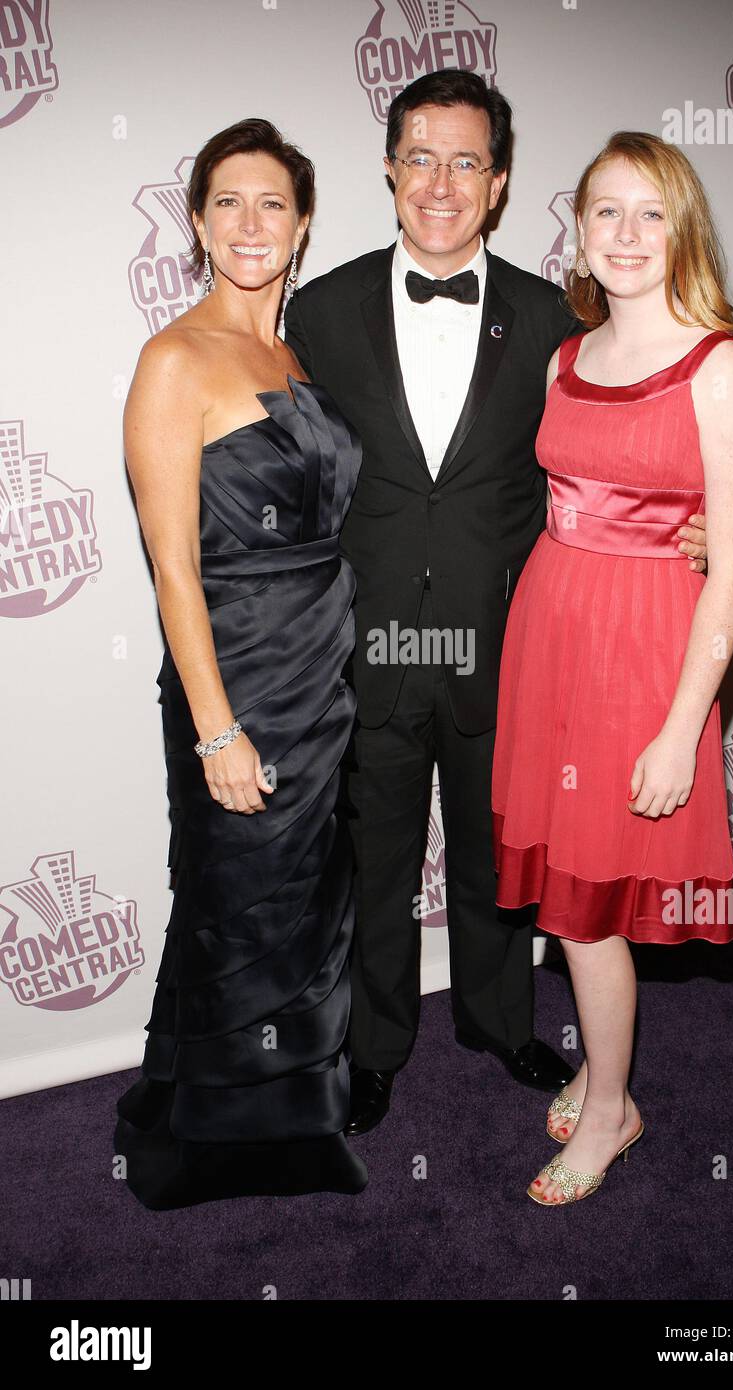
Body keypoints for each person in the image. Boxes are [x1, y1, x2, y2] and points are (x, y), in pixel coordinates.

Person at [284, 74, 710, 1136]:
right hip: (368, 643)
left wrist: (695, 525)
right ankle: (375, 1049)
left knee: (499, 860)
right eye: (421, 158)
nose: (441, 183)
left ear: (501, 180)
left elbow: (626, 439)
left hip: (511, 648)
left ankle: (501, 1021)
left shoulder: (555, 318)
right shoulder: (320, 310)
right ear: (389, 169)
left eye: (466, 161)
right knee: (374, 864)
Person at [491, 131, 733, 1206]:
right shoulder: (568, 357)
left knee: (585, 906)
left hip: (644, 655)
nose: (626, 233)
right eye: (605, 209)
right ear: (578, 229)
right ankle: (602, 1077)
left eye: (651, 212)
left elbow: (732, 568)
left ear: (682, 228)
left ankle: (610, 1109)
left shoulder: (718, 365)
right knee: (567, 885)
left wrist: (680, 726)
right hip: (552, 634)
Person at [114, 118, 368, 1208]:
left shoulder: (291, 355)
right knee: (240, 897)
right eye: (228, 202)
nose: (251, 223)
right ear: (198, 223)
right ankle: (228, 1139)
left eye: (273, 203)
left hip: (322, 668)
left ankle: (286, 1105)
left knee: (305, 896)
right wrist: (216, 728)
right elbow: (172, 569)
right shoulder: (174, 359)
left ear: (302, 224)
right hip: (239, 674)